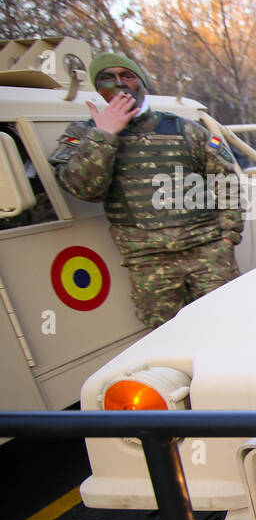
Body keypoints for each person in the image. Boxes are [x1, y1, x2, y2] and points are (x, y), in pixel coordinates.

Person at [49, 52, 243, 327]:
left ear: (142, 82)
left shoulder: (186, 130)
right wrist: (104, 135)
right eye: (108, 78)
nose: (120, 84)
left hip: (208, 253)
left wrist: (227, 239)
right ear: (98, 88)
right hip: (148, 263)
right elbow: (84, 189)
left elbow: (226, 183)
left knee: (230, 326)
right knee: (166, 340)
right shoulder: (85, 135)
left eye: (127, 75)